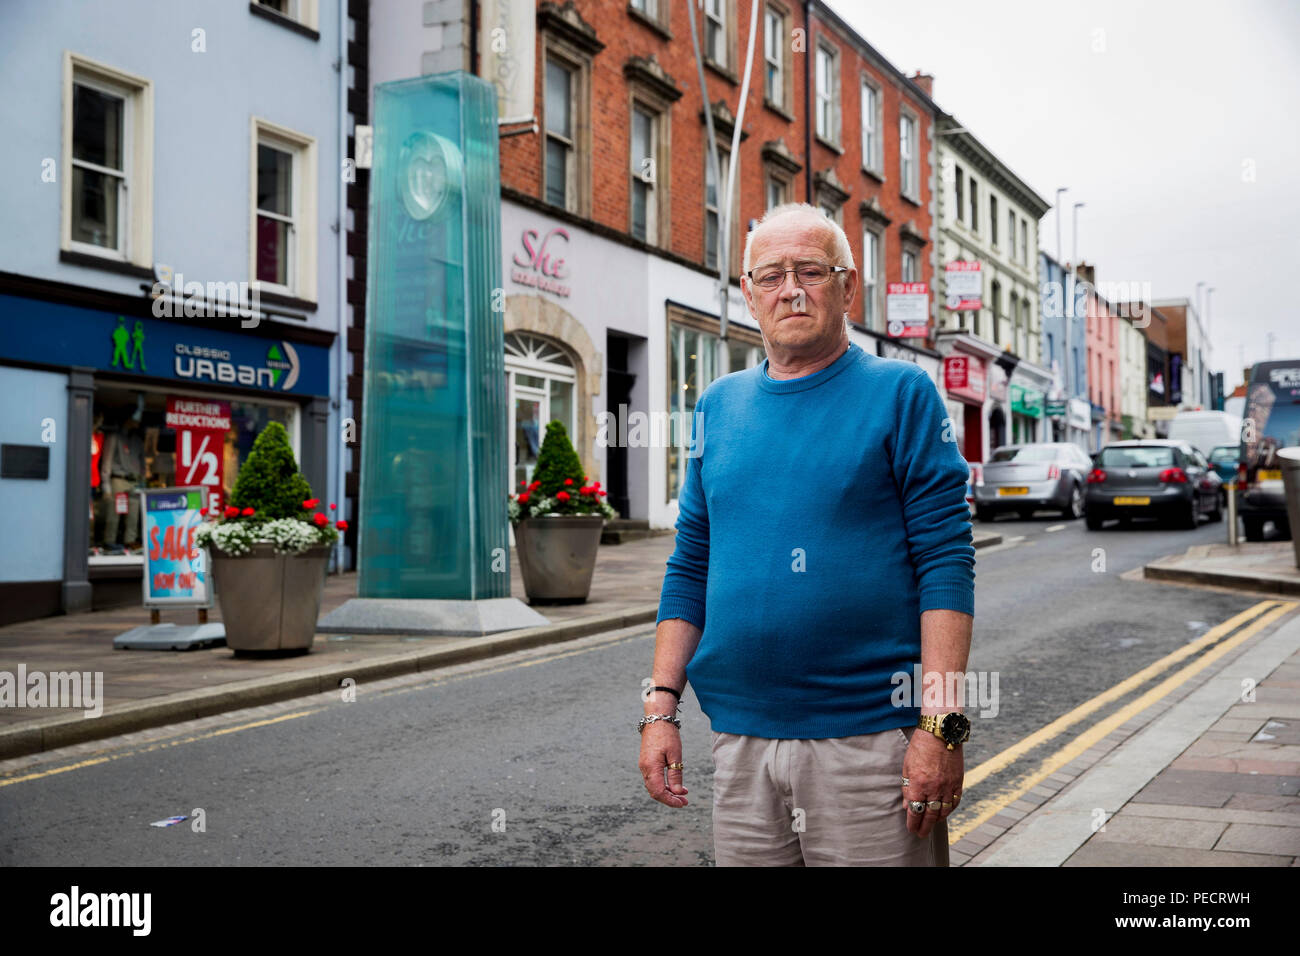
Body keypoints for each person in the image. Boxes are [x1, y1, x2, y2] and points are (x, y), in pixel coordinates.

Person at [638, 203, 976, 866]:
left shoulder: (901, 393)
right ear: (749, 294)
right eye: (770, 276)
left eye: (810, 271)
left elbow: (946, 565)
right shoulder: (717, 405)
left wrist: (942, 729)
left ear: (848, 287)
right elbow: (691, 565)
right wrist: (659, 710)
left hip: (872, 740)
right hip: (739, 741)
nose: (790, 288)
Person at [101, 412, 145, 552]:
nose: (138, 422)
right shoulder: (114, 437)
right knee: (114, 513)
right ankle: (109, 541)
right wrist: (106, 486)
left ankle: (130, 541)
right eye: (135, 418)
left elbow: (142, 464)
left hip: (134, 481)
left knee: (134, 514)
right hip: (118, 478)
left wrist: (142, 481)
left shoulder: (138, 440)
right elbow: (106, 462)